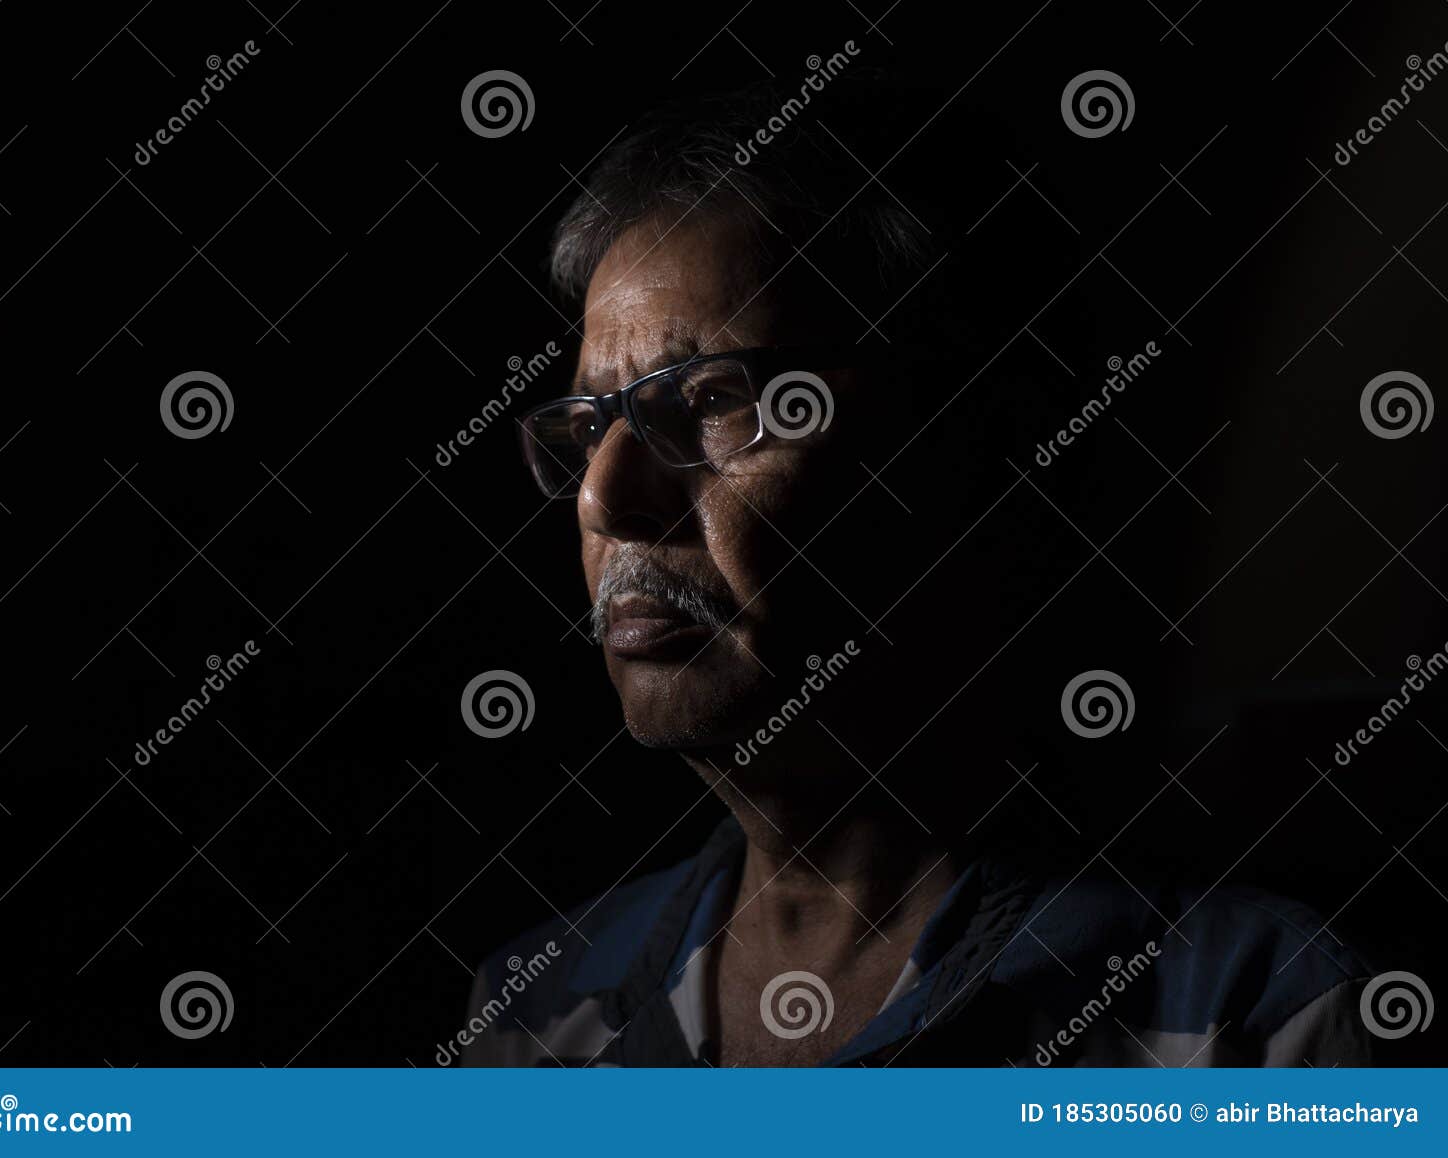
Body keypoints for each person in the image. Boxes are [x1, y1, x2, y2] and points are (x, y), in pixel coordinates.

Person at [459, 74, 1387, 1066]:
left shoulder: (1254, 1023)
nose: (605, 499)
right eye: (588, 426)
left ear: (965, 441)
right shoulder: (535, 1020)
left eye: (712, 400)